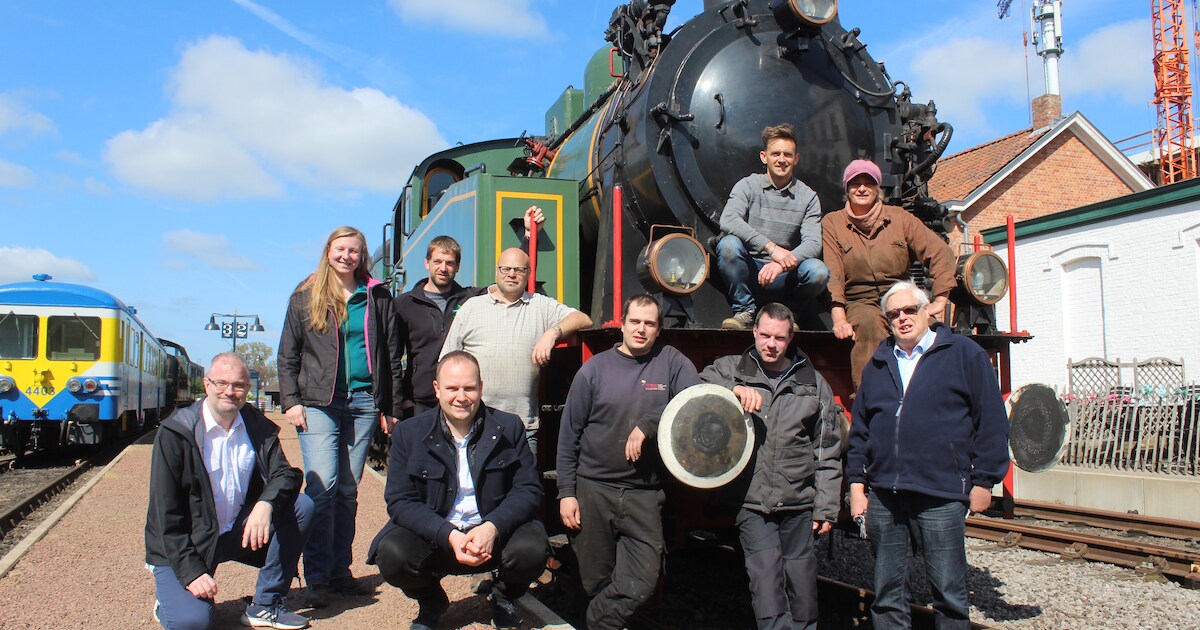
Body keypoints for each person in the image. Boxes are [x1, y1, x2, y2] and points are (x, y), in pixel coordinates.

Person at [847, 281, 1010, 629]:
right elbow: (861, 429)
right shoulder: (878, 363)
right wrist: (857, 486)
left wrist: (984, 481)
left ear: (926, 311)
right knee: (887, 596)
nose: (903, 318)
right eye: (894, 314)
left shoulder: (964, 354)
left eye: (910, 310)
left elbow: (992, 420)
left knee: (949, 596)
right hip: (886, 497)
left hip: (940, 493)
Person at [367, 351, 548, 630]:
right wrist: (447, 534)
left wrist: (492, 527)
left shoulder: (509, 427)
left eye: (469, 388)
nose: (461, 397)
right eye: (452, 388)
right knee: (392, 555)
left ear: (481, 388)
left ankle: (503, 596)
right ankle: (431, 601)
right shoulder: (409, 433)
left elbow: (528, 489)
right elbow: (400, 500)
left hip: (491, 536)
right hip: (438, 537)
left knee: (533, 548)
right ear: (437, 389)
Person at [276, 226, 404, 606]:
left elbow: (392, 356)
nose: (347, 256)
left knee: (348, 489)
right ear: (328, 251)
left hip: (364, 401)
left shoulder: (378, 295)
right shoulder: (306, 295)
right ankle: (317, 576)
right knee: (323, 486)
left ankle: (339, 571)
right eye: (340, 249)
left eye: (354, 250)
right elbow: (288, 353)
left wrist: (391, 407)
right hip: (319, 402)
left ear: (362, 256)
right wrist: (290, 400)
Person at [556, 294, 700, 630]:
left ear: (658, 330)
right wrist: (566, 493)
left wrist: (649, 423)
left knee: (644, 578)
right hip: (594, 489)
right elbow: (569, 435)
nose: (641, 329)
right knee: (593, 581)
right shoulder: (594, 370)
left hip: (644, 494)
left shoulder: (671, 361)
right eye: (635, 321)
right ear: (621, 324)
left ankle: (593, 624)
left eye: (649, 323)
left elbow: (693, 400)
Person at [699, 303, 843, 630]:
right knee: (765, 586)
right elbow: (695, 388)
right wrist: (733, 390)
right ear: (754, 332)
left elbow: (826, 449)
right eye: (765, 335)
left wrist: (826, 507)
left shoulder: (813, 383)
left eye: (779, 337)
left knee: (802, 584)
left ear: (790, 338)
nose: (771, 344)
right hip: (752, 502)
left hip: (798, 503)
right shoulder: (731, 369)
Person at [145, 353, 314, 630]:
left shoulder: (255, 425)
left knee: (301, 506)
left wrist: (266, 504)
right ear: (207, 384)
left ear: (247, 389)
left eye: (238, 385)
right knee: (192, 623)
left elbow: (286, 474)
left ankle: (266, 604)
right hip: (189, 542)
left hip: (235, 531)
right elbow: (164, 514)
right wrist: (190, 572)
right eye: (221, 383)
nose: (230, 392)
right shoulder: (176, 432)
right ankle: (168, 601)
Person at [440, 246, 592, 453]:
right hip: (475, 422)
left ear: (528, 274)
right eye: (506, 269)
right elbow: (446, 363)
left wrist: (552, 333)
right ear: (497, 271)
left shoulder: (540, 305)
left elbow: (583, 319)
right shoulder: (471, 308)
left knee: (525, 476)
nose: (511, 274)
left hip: (523, 426)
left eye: (519, 270)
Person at [395, 210, 544, 419]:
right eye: (437, 262)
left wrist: (528, 237)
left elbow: (510, 279)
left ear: (457, 267)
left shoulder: (471, 298)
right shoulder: (404, 304)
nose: (443, 268)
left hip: (461, 400)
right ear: (427, 263)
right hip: (421, 402)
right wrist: (398, 403)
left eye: (449, 263)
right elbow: (392, 357)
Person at [821, 159, 954, 388]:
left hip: (898, 296)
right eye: (855, 183)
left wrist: (940, 299)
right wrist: (839, 318)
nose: (862, 188)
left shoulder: (900, 217)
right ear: (847, 189)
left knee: (930, 329)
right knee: (869, 325)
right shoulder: (833, 223)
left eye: (868, 183)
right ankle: (871, 397)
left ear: (878, 189)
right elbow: (833, 272)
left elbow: (939, 251)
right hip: (860, 300)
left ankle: (935, 392)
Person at [716, 123, 829, 330]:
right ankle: (744, 310)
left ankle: (790, 315)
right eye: (775, 153)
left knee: (818, 271)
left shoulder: (808, 197)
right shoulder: (747, 185)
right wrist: (771, 248)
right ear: (764, 156)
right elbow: (729, 219)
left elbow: (813, 243)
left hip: (786, 275)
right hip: (749, 269)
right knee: (728, 245)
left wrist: (781, 264)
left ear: (796, 158)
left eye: (787, 154)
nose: (781, 160)